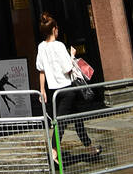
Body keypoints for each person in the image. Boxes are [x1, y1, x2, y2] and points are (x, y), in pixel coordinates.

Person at [35, 12, 101, 165]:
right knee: (61, 123)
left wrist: (42, 90)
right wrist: (72, 55)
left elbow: (41, 70)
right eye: (57, 28)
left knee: (77, 119)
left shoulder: (41, 47)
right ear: (54, 29)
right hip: (67, 90)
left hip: (54, 92)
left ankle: (89, 147)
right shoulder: (59, 46)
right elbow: (67, 69)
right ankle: (53, 151)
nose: (58, 31)